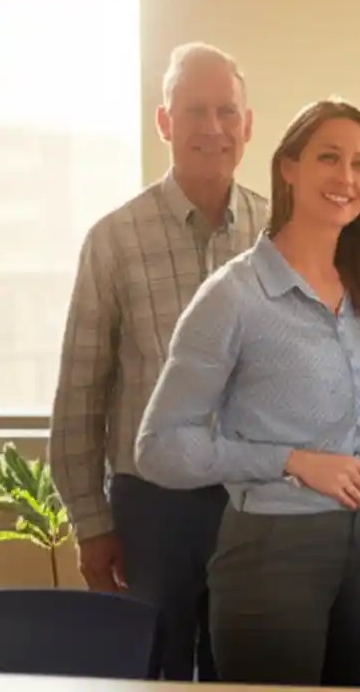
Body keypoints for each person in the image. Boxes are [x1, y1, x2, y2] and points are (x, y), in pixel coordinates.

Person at [135, 99, 360, 688]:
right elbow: (160, 447)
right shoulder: (234, 297)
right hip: (274, 550)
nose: (346, 179)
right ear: (289, 168)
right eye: (329, 158)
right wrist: (291, 462)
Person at [47, 41, 267, 681]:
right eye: (194, 111)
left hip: (255, 501)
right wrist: (91, 525)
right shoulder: (114, 240)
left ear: (248, 125)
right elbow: (80, 396)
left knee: (246, 673)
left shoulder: (279, 232)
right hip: (152, 508)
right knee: (154, 672)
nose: (213, 127)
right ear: (164, 121)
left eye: (227, 111)